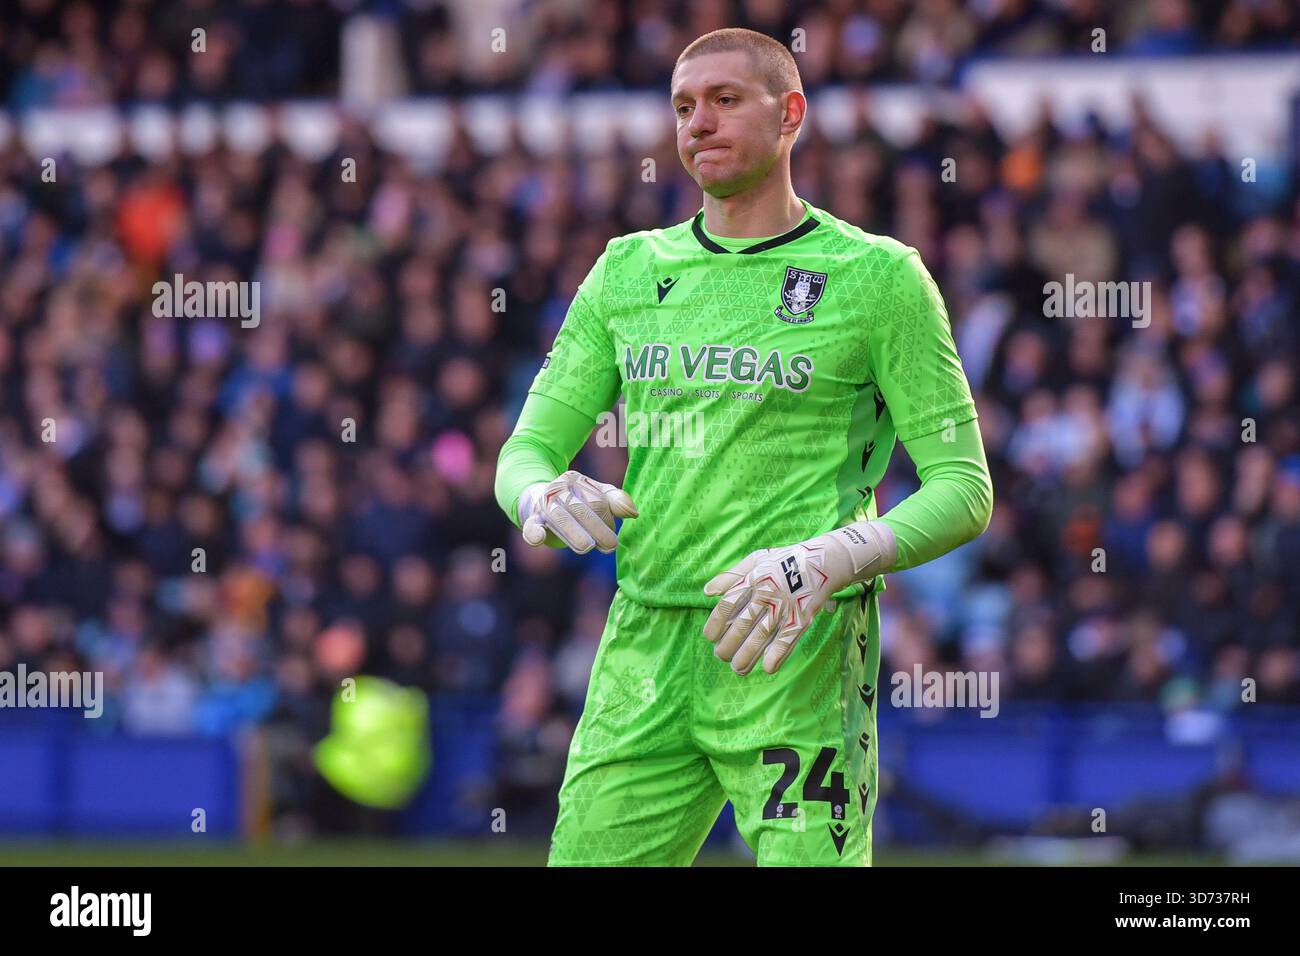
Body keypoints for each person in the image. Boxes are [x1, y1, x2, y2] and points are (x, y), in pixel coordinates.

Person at [495, 27, 993, 866]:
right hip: (642, 650)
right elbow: (525, 450)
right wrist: (537, 495)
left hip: (796, 645)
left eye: (726, 100)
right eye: (685, 106)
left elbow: (964, 488)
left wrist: (828, 560)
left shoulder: (879, 277)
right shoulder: (625, 270)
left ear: (790, 113)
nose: (700, 123)